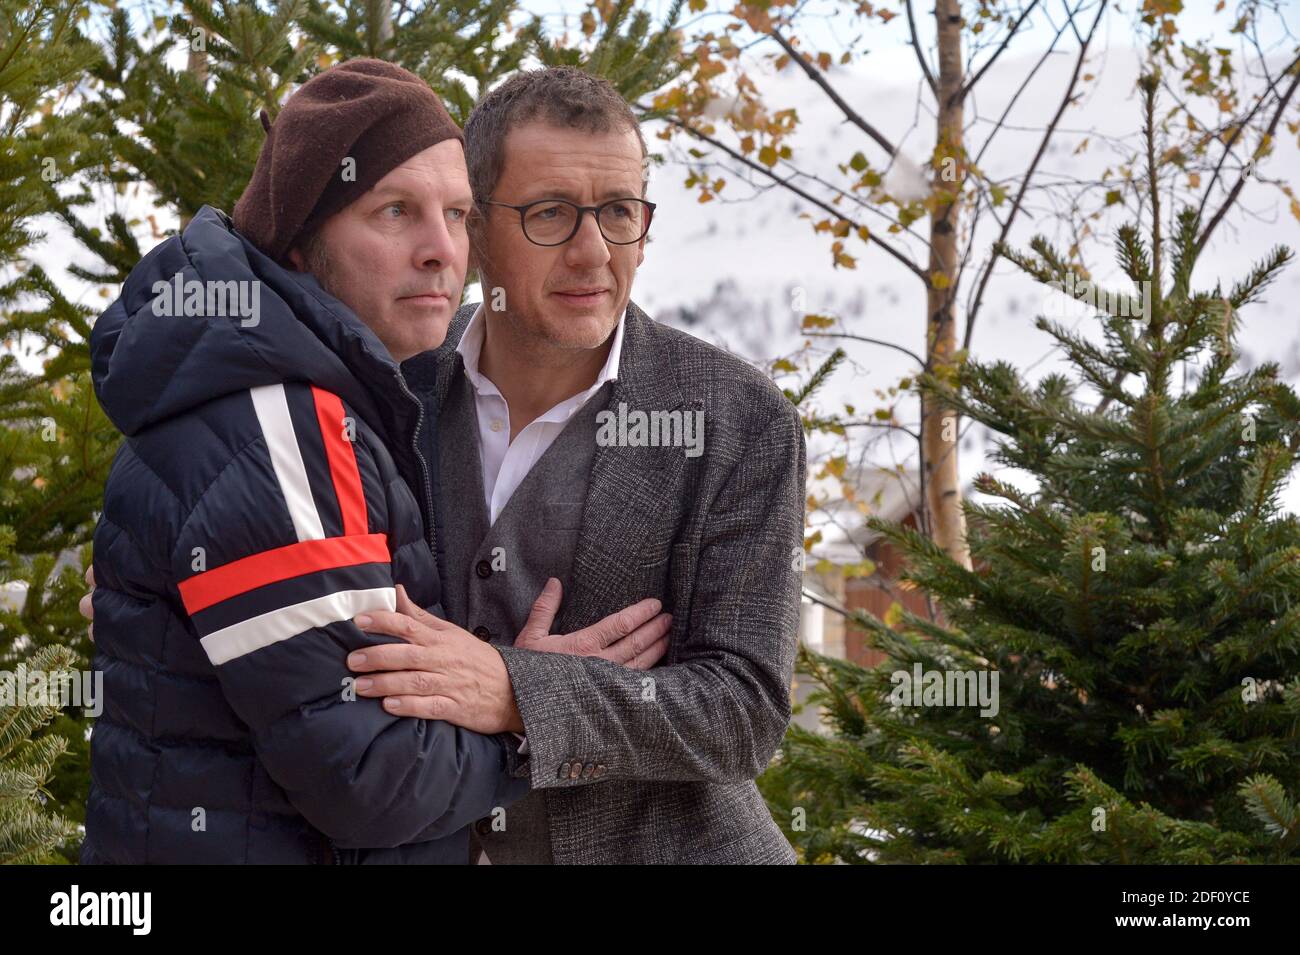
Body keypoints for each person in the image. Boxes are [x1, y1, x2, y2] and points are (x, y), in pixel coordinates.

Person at [80, 59, 668, 865]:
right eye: (395, 211)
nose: (442, 251)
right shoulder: (280, 427)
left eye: (456, 214)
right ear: (301, 239)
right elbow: (375, 778)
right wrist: (528, 704)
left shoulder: (334, 396)